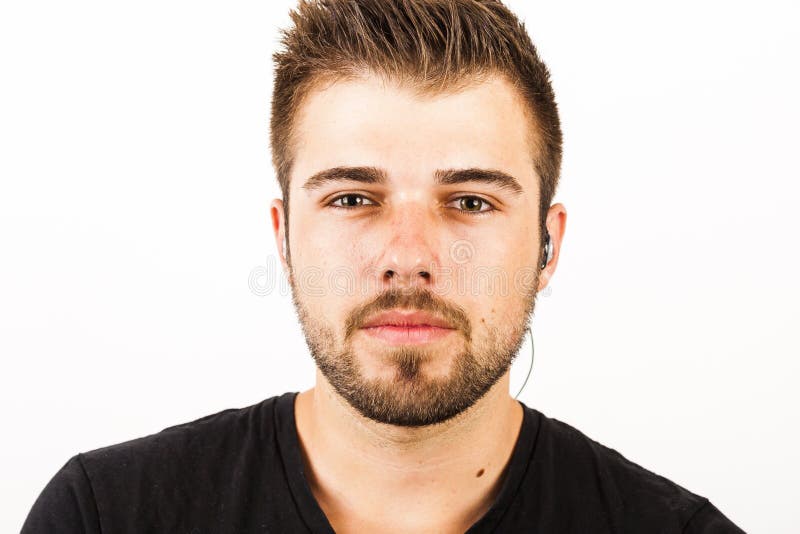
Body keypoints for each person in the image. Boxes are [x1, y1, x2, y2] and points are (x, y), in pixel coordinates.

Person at [21, 1, 744, 532]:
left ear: (547, 244)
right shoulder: (103, 517)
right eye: (353, 197)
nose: (407, 258)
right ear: (284, 238)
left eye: (469, 201)